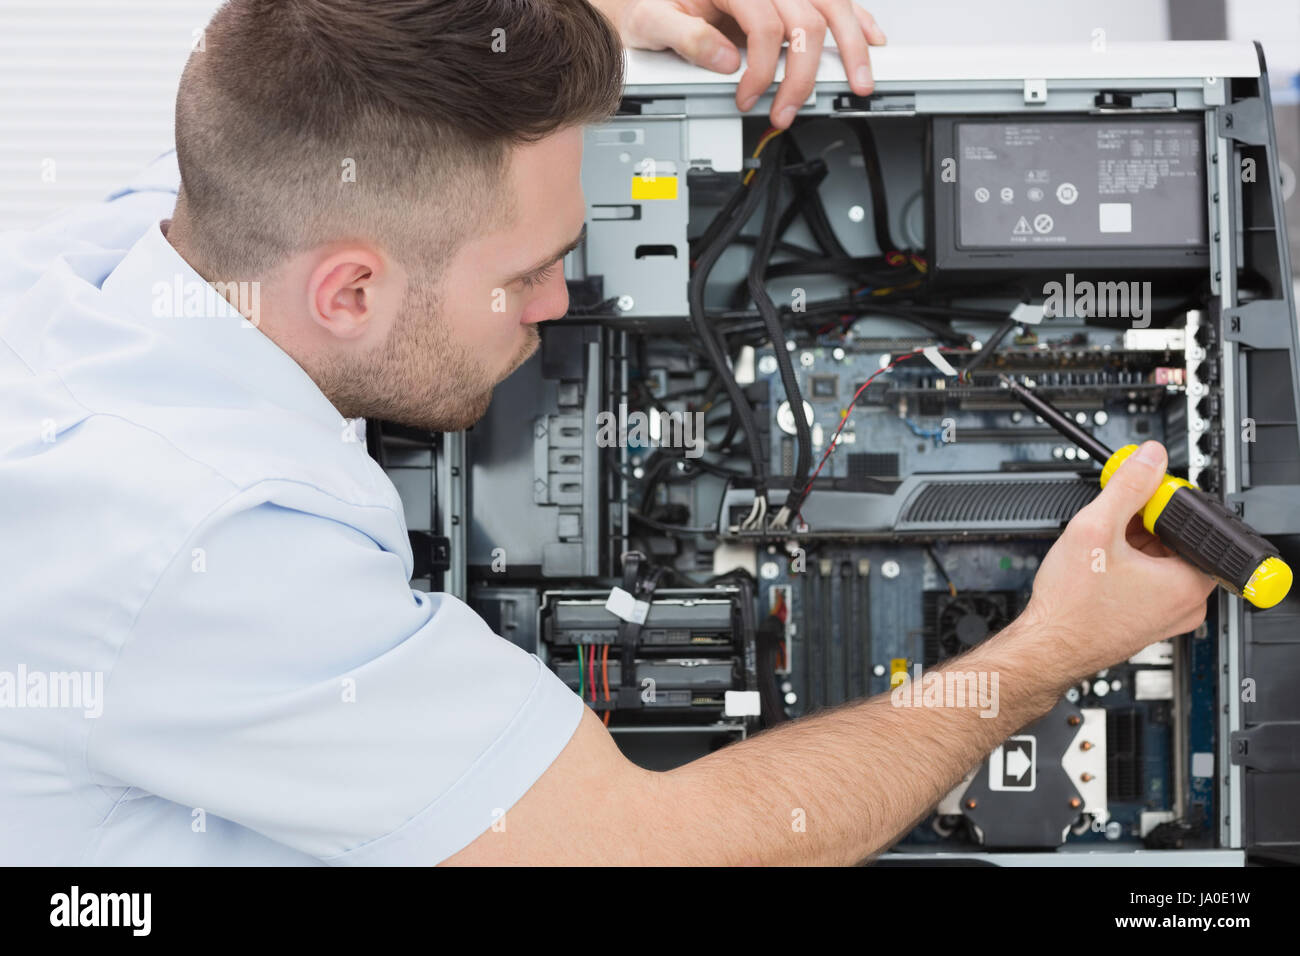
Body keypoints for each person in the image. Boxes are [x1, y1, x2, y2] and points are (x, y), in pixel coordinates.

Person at [0, 0, 1212, 866]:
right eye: (528, 270)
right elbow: (658, 858)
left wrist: (562, 20)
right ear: (351, 291)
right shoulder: (202, 555)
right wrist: (1052, 643)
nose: (558, 303)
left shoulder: (145, 241)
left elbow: (321, 55)